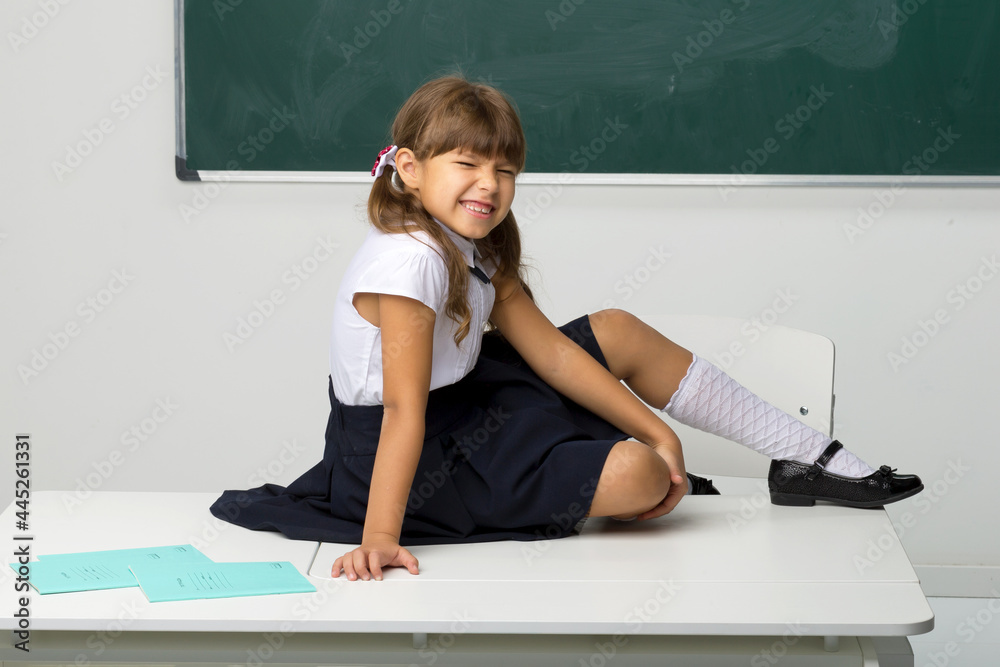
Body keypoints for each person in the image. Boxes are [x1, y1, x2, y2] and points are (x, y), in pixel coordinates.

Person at [210, 76, 922, 582]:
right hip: (409, 452)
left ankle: (806, 457)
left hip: (464, 404)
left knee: (614, 331)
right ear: (410, 169)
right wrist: (380, 539)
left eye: (505, 168)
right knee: (639, 475)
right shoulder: (407, 264)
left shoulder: (476, 242)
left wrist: (662, 428)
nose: (488, 184)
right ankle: (618, 468)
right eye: (467, 164)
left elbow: (548, 349)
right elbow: (402, 409)